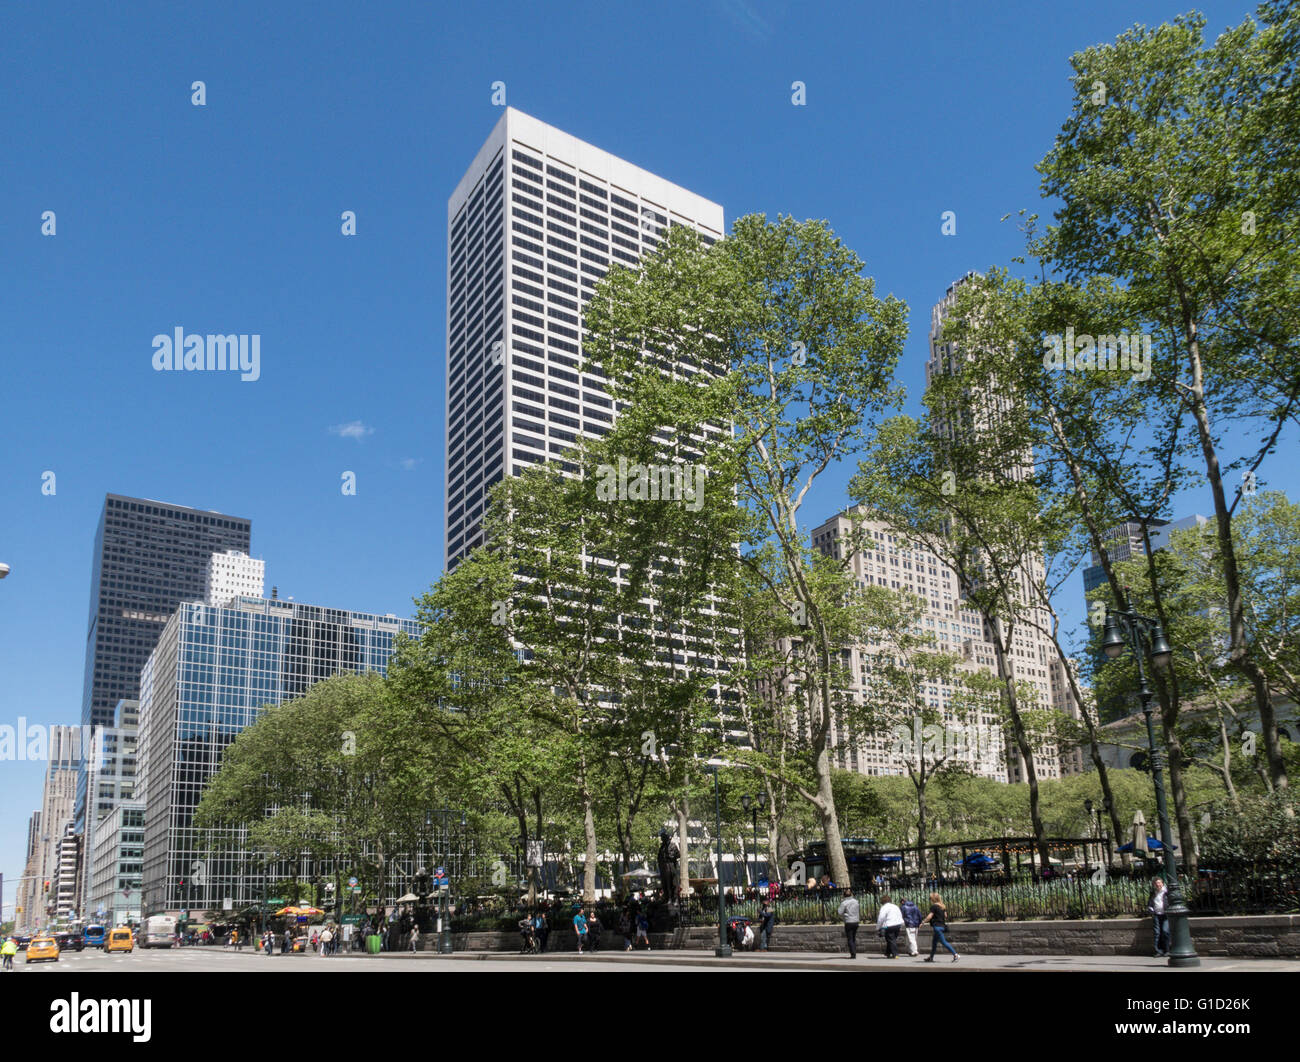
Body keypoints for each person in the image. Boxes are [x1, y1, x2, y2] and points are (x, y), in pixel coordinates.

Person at [921, 892, 958, 962]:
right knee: (934, 942)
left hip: (937, 927)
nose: (930, 900)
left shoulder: (934, 906)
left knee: (944, 942)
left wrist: (923, 922)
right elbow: (945, 915)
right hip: (942, 926)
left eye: (930, 898)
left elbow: (930, 916)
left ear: (933, 899)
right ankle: (931, 957)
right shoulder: (942, 906)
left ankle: (955, 955)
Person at [876, 894, 904, 959]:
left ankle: (895, 954)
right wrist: (902, 923)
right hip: (897, 925)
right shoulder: (895, 906)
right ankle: (888, 953)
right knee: (892, 940)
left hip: (889, 926)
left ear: (882, 901)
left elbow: (881, 918)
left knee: (891, 940)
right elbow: (899, 915)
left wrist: (878, 927)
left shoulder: (884, 907)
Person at [837, 886, 861, 959]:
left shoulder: (844, 903)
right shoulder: (856, 901)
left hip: (849, 921)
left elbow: (839, 912)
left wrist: (844, 912)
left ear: (844, 895)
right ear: (851, 895)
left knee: (850, 938)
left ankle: (853, 954)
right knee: (853, 938)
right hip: (856, 921)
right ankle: (854, 951)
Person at [1148, 877, 1170, 957]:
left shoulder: (1167, 892)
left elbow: (1170, 902)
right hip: (1156, 914)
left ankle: (1167, 950)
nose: (1158, 885)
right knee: (1157, 933)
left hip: (1165, 915)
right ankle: (1159, 951)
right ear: (1154, 885)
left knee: (1165, 931)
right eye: (1156, 883)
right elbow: (1150, 903)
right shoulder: (1153, 893)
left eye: (1159, 883)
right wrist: (1150, 909)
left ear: (1162, 883)